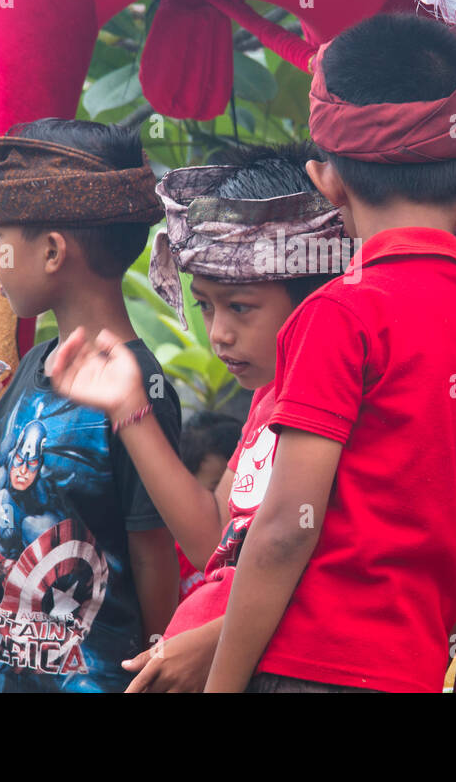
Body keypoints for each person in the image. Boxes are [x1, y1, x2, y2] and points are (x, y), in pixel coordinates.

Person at [200, 12, 456, 692]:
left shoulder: (340, 315)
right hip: (409, 669)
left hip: (303, 668)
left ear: (328, 181)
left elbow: (288, 526)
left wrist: (221, 685)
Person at [47, 144, 346, 692]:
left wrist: (214, 646)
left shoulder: (336, 403)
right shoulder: (268, 396)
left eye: (240, 307)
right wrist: (129, 410)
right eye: (206, 305)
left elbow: (325, 574)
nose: (218, 334)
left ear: (312, 298)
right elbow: (215, 538)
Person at [0, 118, 181, 692]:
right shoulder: (34, 365)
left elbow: (153, 550)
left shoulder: (141, 389)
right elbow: (2, 503)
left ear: (52, 251)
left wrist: (156, 670)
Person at [176, 411, 243, 601]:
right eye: (217, 488)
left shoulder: (254, 541)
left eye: (240, 486)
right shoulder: (176, 554)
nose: (231, 500)